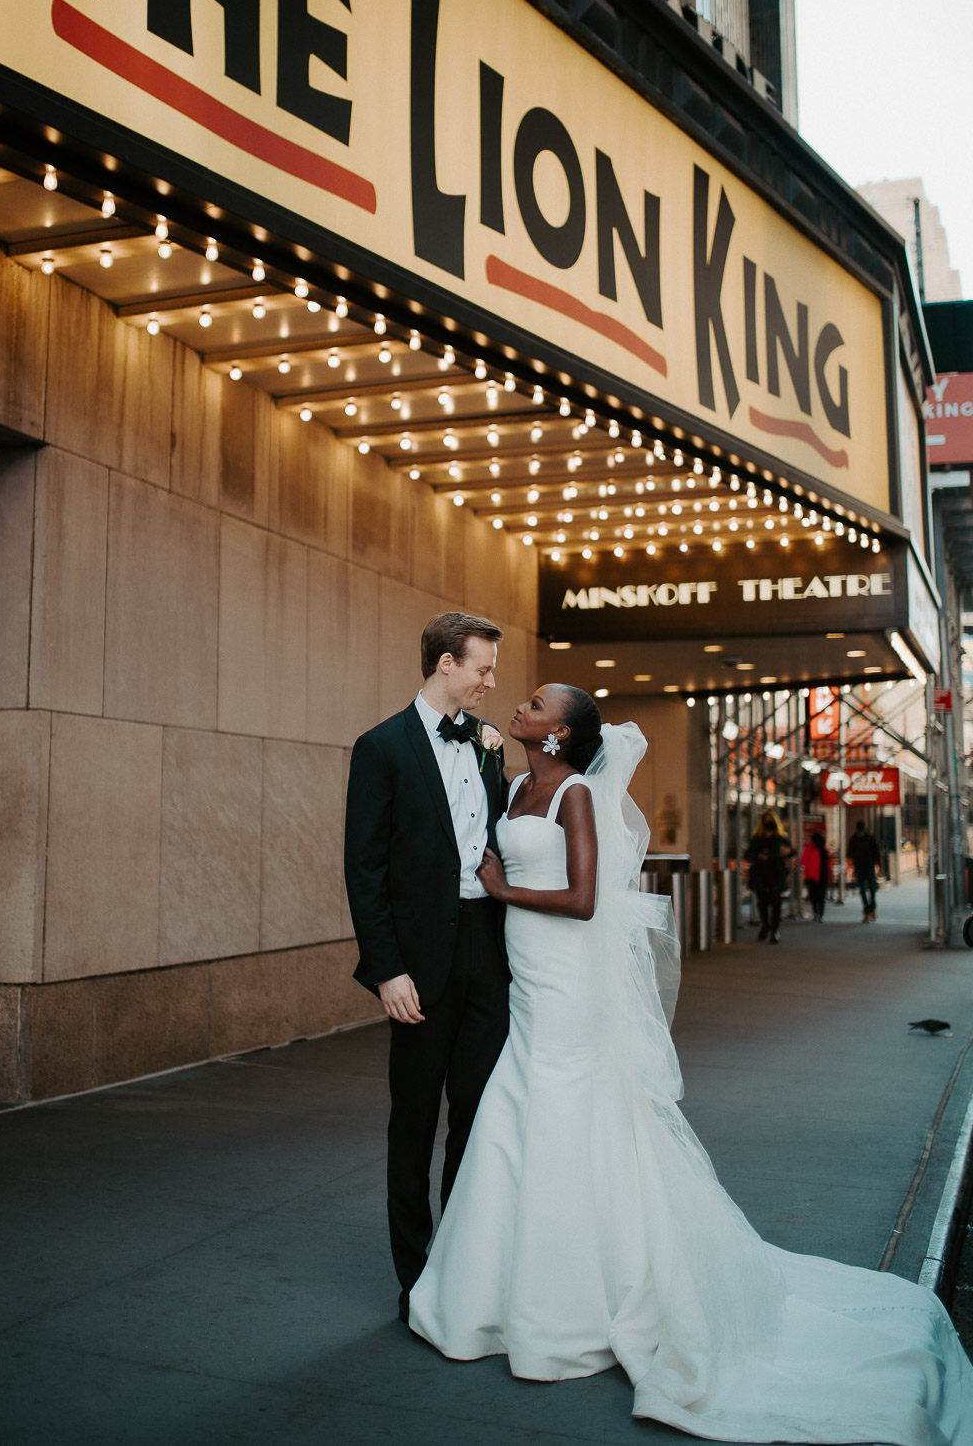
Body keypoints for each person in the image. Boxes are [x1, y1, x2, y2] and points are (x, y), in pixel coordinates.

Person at [408, 688, 973, 1443]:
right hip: (529, 978)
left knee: (563, 1104)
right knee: (523, 1104)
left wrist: (505, 887)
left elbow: (582, 899)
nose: (521, 703)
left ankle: (567, 1300)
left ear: (561, 734)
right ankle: (502, 1291)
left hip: (570, 978)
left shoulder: (576, 794)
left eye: (537, 703)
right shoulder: (512, 784)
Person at [344, 611, 509, 1325]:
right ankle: (416, 1281)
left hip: (487, 954)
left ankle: (462, 1270)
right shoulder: (380, 747)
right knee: (413, 1124)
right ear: (446, 663)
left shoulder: (486, 746)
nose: (490, 681)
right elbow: (364, 867)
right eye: (482, 668)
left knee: (477, 1122)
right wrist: (387, 969)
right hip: (418, 965)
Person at [743, 813, 794, 942]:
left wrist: (786, 852)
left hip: (776, 874)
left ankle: (774, 930)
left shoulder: (780, 839)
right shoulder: (757, 839)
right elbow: (748, 853)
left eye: (771, 822)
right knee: (763, 903)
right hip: (761, 875)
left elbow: (792, 851)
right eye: (766, 822)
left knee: (777, 903)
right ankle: (765, 924)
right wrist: (758, 856)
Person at [848, 819, 880, 922]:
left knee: (871, 888)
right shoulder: (859, 839)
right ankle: (868, 910)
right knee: (865, 889)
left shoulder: (867, 839)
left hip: (866, 866)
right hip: (862, 866)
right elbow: (849, 853)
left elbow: (876, 851)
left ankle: (871, 908)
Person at [801, 830, 830, 921]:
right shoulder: (811, 848)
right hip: (813, 876)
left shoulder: (824, 848)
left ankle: (819, 914)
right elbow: (804, 860)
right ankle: (817, 913)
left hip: (821, 875)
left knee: (820, 896)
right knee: (814, 896)